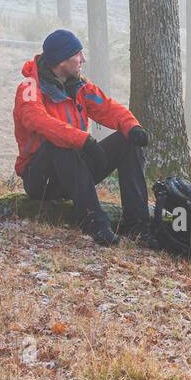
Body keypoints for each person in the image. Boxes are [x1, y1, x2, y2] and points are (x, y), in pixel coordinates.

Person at [12, 29, 151, 246]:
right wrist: (83, 141)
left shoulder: (79, 86)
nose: (83, 59)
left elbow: (107, 107)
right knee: (58, 142)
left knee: (127, 141)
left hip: (75, 170)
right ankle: (95, 223)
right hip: (41, 179)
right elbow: (39, 121)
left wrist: (132, 127)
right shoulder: (29, 88)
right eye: (78, 54)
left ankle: (138, 225)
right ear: (62, 60)